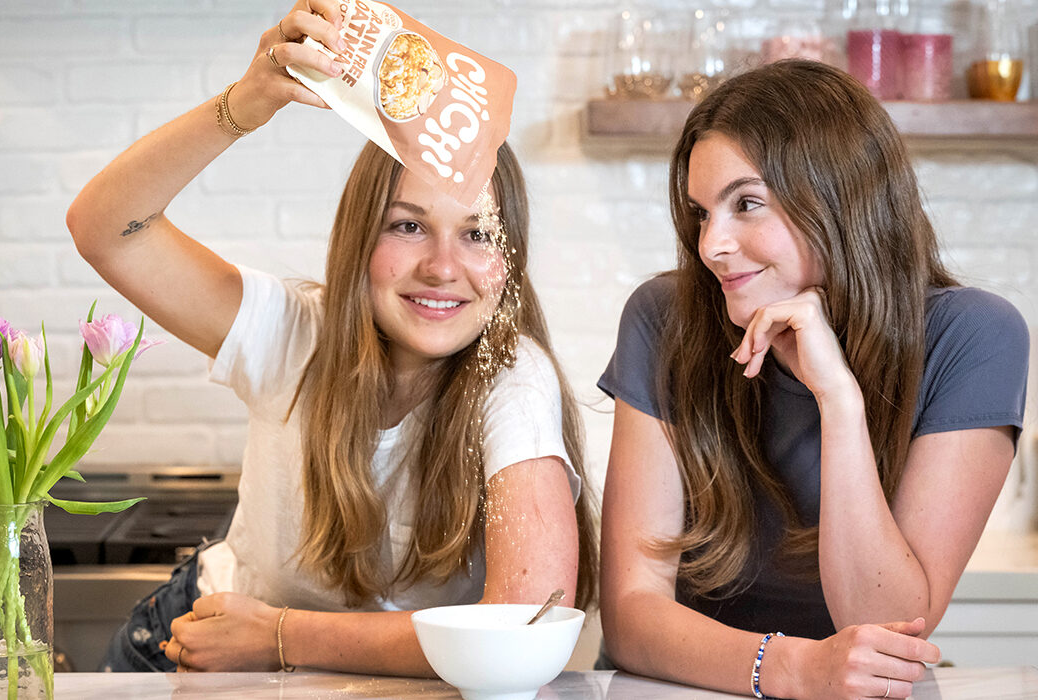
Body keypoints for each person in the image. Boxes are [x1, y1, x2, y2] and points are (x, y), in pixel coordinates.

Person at [65, 0, 597, 677]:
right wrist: (245, 104)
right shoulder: (293, 334)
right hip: (197, 648)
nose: (441, 265)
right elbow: (104, 227)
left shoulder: (510, 375)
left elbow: (526, 623)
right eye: (407, 226)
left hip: (294, 657)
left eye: (478, 234)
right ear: (360, 236)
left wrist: (282, 637)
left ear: (510, 262)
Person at [597, 59, 1027, 700]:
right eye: (700, 212)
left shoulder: (974, 335)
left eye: (746, 204)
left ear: (838, 198)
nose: (711, 243)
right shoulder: (665, 317)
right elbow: (632, 615)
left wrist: (839, 401)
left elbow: (887, 624)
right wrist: (795, 669)